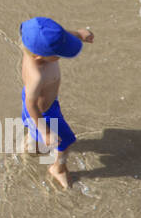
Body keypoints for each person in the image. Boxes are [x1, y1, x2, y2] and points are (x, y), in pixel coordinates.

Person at [19, 16, 94, 189]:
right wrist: (45, 131)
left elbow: (60, 36)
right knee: (65, 141)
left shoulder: (30, 45)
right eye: (59, 54)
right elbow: (31, 105)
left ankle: (31, 141)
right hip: (44, 112)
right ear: (39, 56)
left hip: (45, 103)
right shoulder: (37, 76)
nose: (62, 54)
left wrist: (79, 34)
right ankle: (58, 168)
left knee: (33, 130)